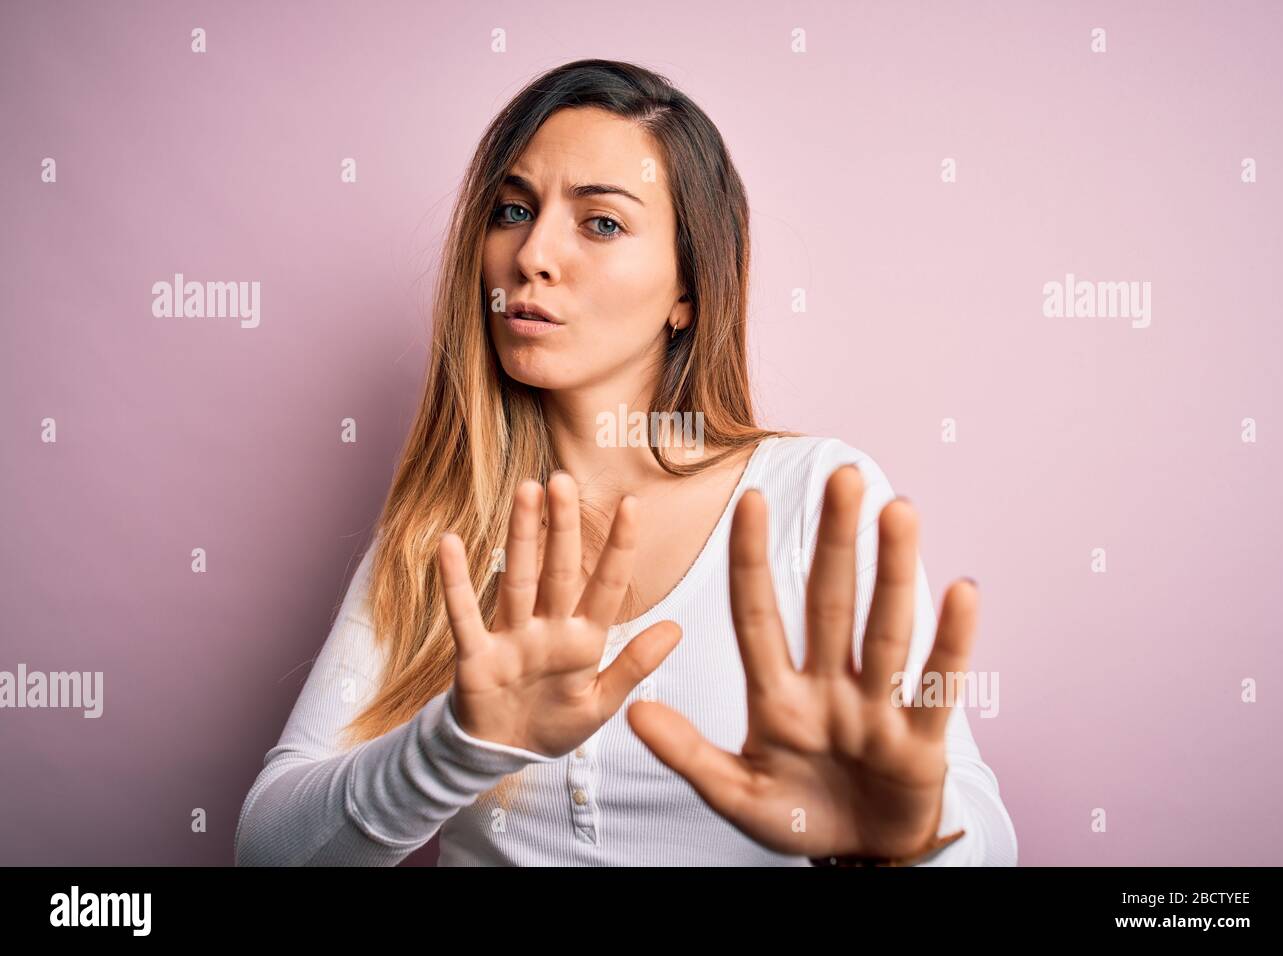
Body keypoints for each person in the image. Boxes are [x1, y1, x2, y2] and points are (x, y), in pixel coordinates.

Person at [234, 58, 1018, 867]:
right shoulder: (444, 528)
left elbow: (986, 839)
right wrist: (455, 745)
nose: (532, 254)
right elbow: (267, 853)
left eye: (601, 222)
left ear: (690, 288)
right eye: (512, 210)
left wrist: (908, 844)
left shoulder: (811, 494)